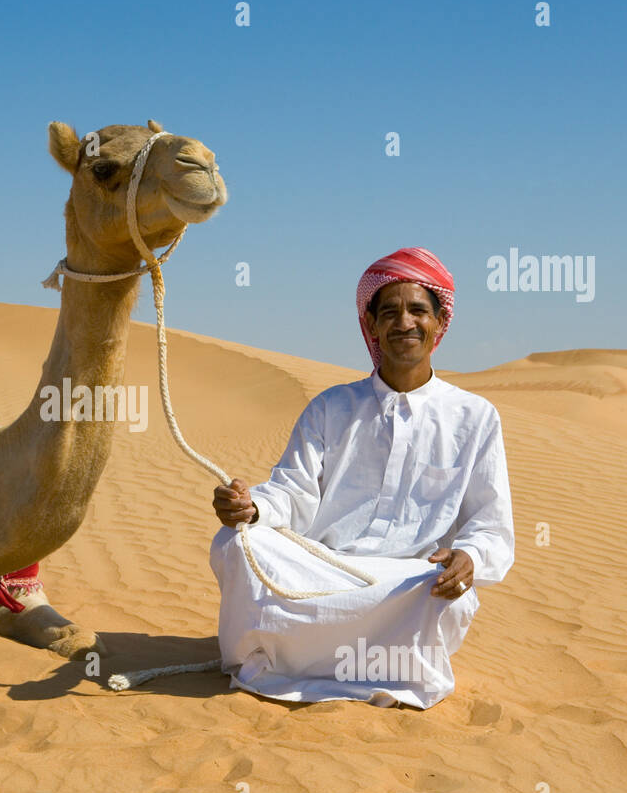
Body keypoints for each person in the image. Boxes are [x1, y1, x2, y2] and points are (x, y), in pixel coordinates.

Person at [209, 247, 514, 708]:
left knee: (443, 595)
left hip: (409, 583)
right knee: (237, 543)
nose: (404, 323)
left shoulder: (474, 417)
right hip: (323, 568)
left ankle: (304, 657)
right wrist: (254, 508)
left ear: (439, 324)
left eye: (417, 311)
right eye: (388, 312)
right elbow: (293, 491)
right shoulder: (332, 408)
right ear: (371, 325)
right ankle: (292, 658)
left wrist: (469, 557)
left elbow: (490, 525)